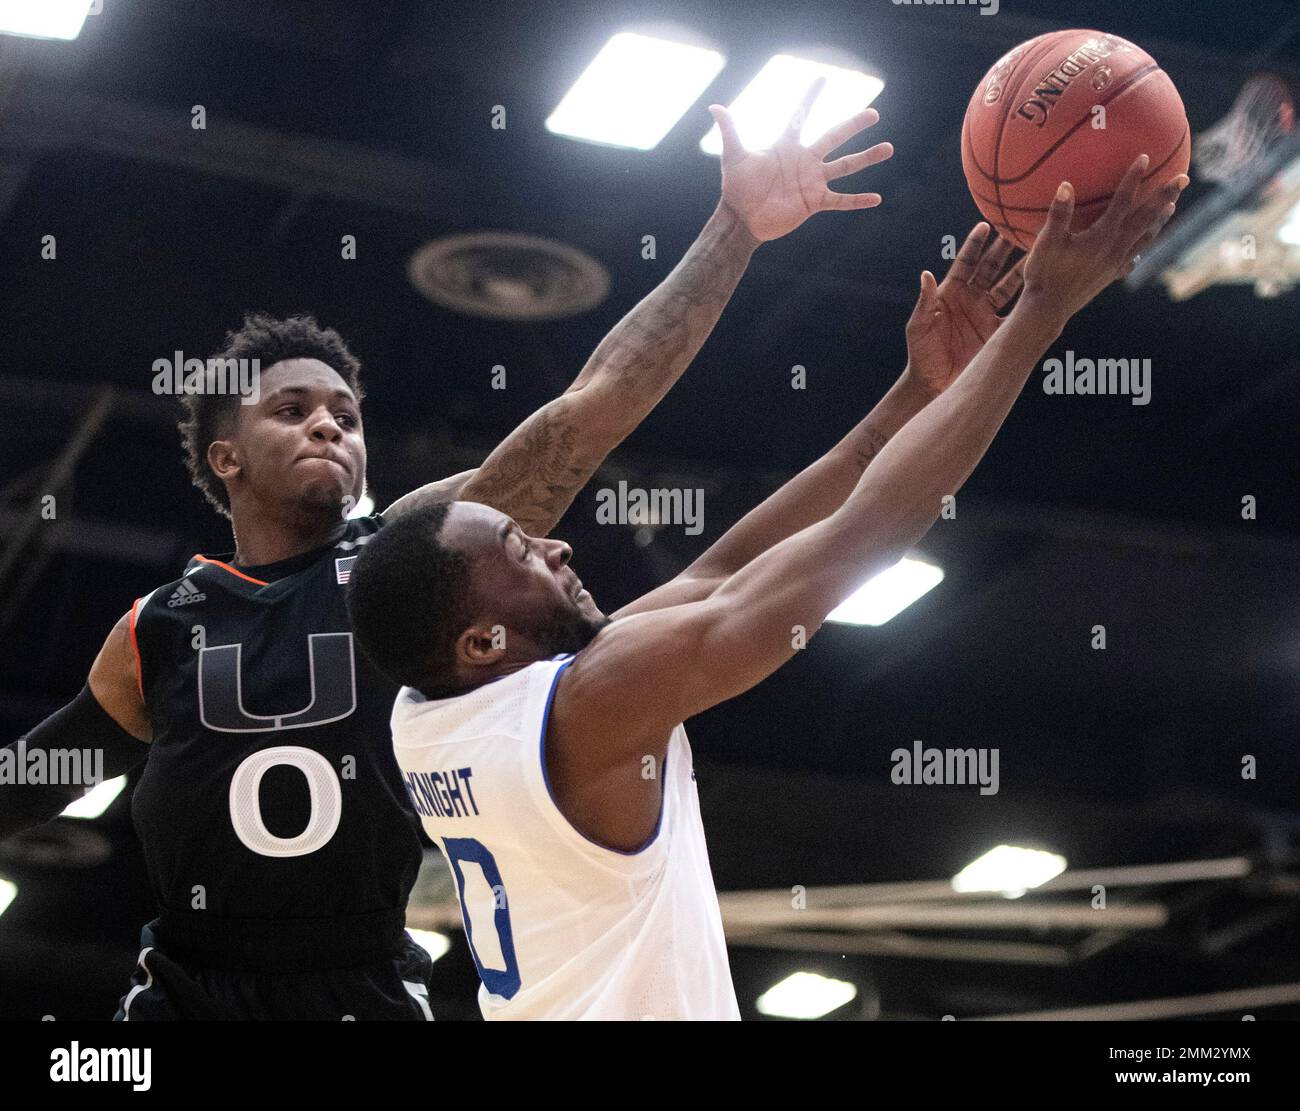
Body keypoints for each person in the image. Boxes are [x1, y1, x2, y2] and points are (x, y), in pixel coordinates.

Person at [0, 92, 891, 1019]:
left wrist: (734, 229)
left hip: (367, 984)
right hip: (189, 995)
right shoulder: (157, 629)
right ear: (225, 458)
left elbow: (591, 406)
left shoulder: (411, 551)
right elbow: (38, 771)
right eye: (292, 410)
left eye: (346, 416)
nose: (328, 426)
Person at [346, 158, 1188, 1020]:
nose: (557, 547)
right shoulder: (590, 703)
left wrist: (916, 394)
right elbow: (853, 543)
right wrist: (1040, 315)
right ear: (482, 640)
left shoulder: (430, 712)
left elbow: (718, 573)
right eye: (520, 552)